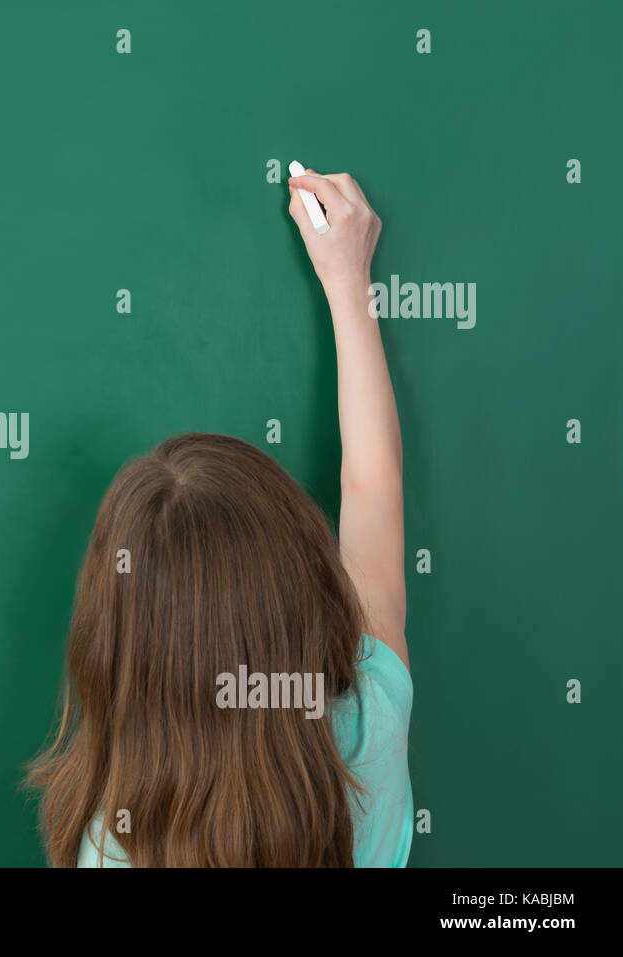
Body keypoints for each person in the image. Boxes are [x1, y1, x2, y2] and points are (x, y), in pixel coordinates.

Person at [25, 169, 412, 867]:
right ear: (303, 579)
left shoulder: (110, 847)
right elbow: (372, 483)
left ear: (116, 641)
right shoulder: (368, 731)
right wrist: (349, 283)